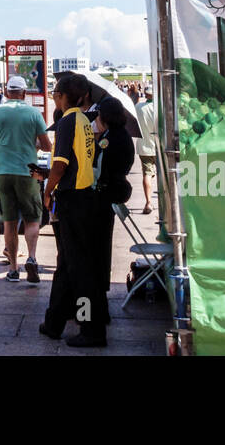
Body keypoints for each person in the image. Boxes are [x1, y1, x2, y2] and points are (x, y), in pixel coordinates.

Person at [40, 72, 105, 347]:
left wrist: (47, 190)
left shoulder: (67, 122)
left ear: (64, 97)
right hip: (82, 197)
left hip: (73, 199)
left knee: (78, 269)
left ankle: (91, 330)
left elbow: (60, 164)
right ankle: (54, 322)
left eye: (56, 93)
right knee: (66, 265)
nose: (54, 97)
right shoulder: (83, 120)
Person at [0, 75, 52, 284]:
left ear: (7, 92)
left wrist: (0, 140)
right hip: (27, 171)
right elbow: (47, 146)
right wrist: (33, 143)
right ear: (25, 93)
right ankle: (32, 257)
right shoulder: (33, 113)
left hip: (1, 171)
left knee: (9, 221)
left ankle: (13, 269)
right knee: (32, 217)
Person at [91, 96, 136, 304]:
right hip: (115, 191)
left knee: (98, 248)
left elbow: (98, 168)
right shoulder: (122, 135)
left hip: (104, 194)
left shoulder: (109, 139)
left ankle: (96, 298)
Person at [134, 87, 158, 215]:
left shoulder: (138, 107)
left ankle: (148, 202)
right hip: (159, 146)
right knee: (164, 174)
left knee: (147, 174)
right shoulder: (159, 107)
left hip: (144, 145)